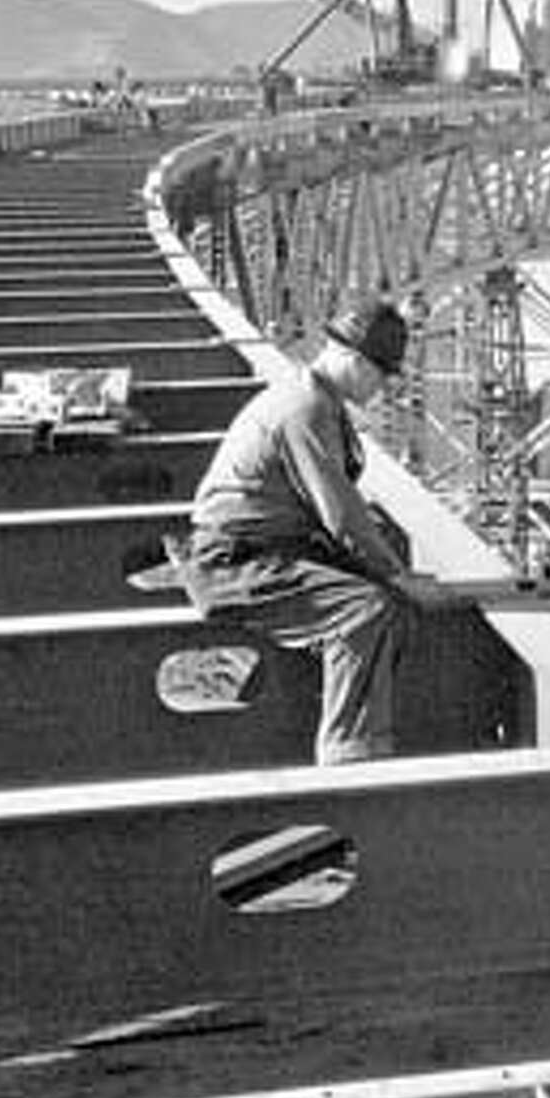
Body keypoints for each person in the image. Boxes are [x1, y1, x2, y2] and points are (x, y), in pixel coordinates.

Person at [179, 298, 444, 764]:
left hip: (262, 551)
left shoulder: (315, 399)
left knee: (383, 588)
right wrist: (396, 575)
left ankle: (363, 731)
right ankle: (349, 758)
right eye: (380, 373)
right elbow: (339, 512)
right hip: (235, 564)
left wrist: (390, 569)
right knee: (365, 610)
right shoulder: (305, 409)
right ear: (353, 359)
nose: (382, 387)